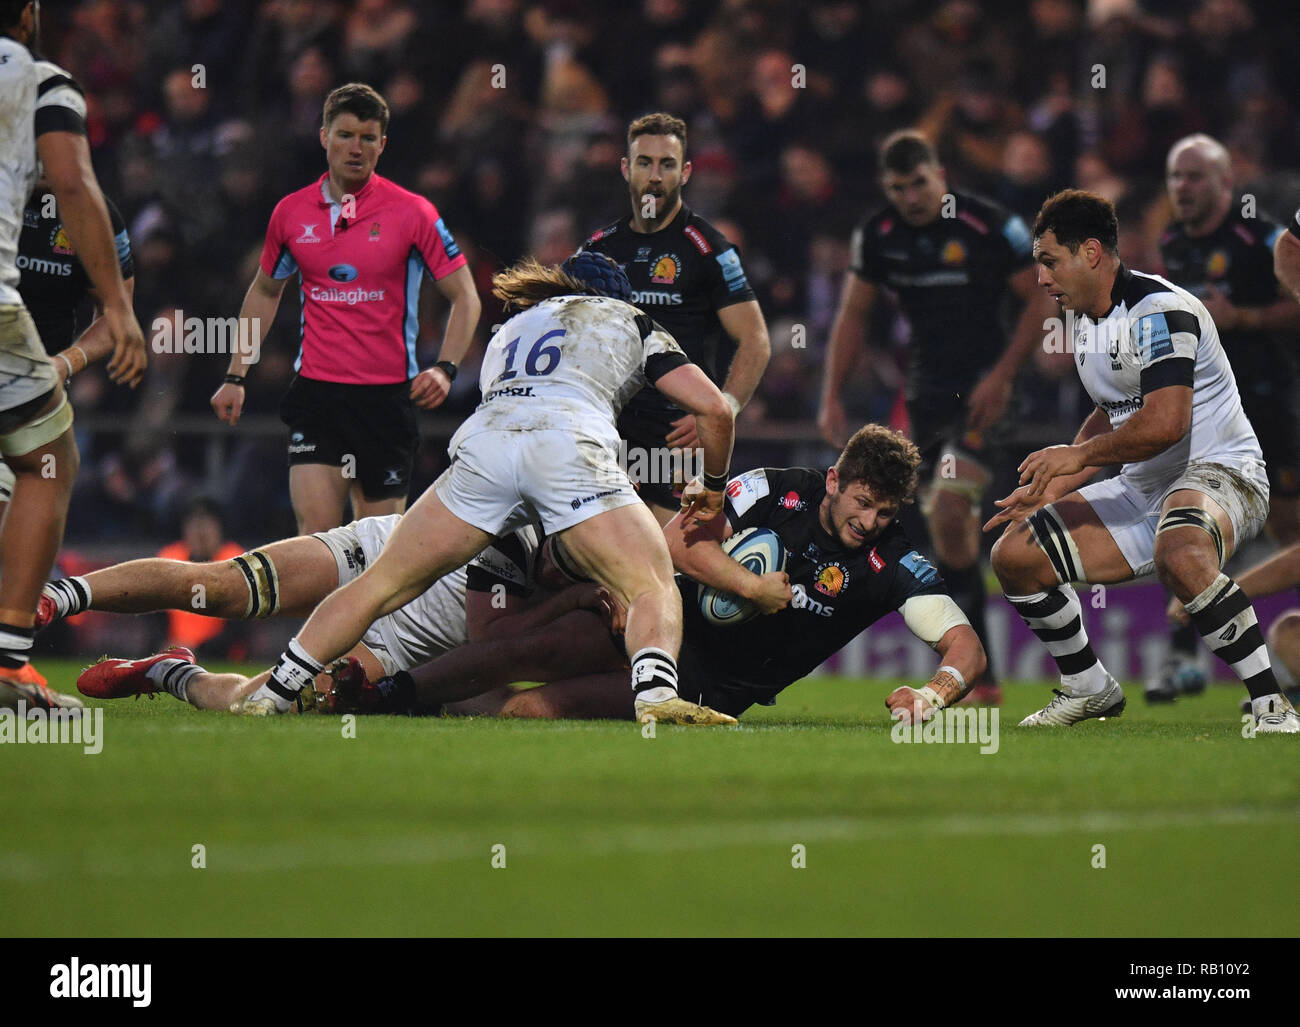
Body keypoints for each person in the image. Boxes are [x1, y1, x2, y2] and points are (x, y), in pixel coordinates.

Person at [230, 252, 738, 725]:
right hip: (566, 446)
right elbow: (714, 409)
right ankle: (655, 697)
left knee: (380, 585)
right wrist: (712, 489)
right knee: (650, 584)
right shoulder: (630, 319)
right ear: (617, 296)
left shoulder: (510, 328)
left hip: (485, 447)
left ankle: (273, 692)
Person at [359, 426, 987, 725]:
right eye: (862, 501)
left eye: (884, 511)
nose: (869, 520)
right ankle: (388, 691)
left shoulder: (893, 563)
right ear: (834, 481)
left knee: (531, 710)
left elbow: (966, 646)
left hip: (705, 688)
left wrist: (931, 694)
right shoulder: (771, 491)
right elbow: (673, 545)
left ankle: (429, 703)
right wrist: (751, 587)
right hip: (649, 624)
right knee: (523, 648)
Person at [984, 188, 1296, 733]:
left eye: (1050, 261)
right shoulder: (1086, 319)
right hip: (1147, 485)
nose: (1041, 278)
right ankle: (1088, 686)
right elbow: (1115, 414)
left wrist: (1075, 455)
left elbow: (1165, 422)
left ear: (1091, 253)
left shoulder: (1160, 312)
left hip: (1223, 472)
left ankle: (1271, 706)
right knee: (1014, 556)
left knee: (1179, 550)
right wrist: (1055, 485)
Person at [817, 130, 1057, 707]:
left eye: (919, 183)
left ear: (940, 175)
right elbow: (853, 314)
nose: (911, 197)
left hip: (985, 394)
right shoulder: (879, 235)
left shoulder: (989, 225)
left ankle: (981, 673)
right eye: (898, 188)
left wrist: (1002, 376)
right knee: (944, 533)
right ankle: (984, 677)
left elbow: (1039, 298)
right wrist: (830, 395)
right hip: (925, 399)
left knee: (950, 506)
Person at [209, 82, 480, 535]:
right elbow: (265, 291)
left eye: (368, 138)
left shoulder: (413, 212)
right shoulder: (291, 214)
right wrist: (236, 375)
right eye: (345, 135)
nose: (356, 148)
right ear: (323, 136)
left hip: (386, 400)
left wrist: (445, 368)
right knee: (316, 538)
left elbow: (465, 295)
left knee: (375, 548)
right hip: (318, 396)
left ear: (382, 145)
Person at [68, 516, 622, 712]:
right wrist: (568, 600)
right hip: (376, 557)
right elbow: (490, 632)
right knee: (219, 586)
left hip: (396, 650)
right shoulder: (521, 524)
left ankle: (168, 670)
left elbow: (488, 657)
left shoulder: (615, 570)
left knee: (252, 706)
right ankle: (63, 595)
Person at [0, 0, 146, 712]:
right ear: (28, 14)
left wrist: (71, 358)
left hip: (32, 358)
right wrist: (120, 314)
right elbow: (73, 178)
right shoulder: (41, 81)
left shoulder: (99, 227)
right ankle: (6, 665)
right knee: (49, 460)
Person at [1147, 134, 1300, 702]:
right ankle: (1183, 658)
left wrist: (1241, 318)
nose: (1182, 188)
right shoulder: (1173, 244)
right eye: (1175, 177)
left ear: (1225, 184)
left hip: (1266, 403)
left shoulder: (1257, 236)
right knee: (1185, 518)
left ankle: (1282, 659)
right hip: (1204, 407)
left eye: (1194, 177)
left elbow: (1292, 307)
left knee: (1288, 530)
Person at [578, 112, 770, 525]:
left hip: (676, 440)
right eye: (644, 163)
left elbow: (755, 339)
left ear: (684, 173)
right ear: (626, 169)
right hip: (610, 433)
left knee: (675, 564)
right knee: (600, 569)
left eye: (666, 164)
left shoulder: (708, 248)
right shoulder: (598, 249)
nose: (654, 176)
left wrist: (724, 408)